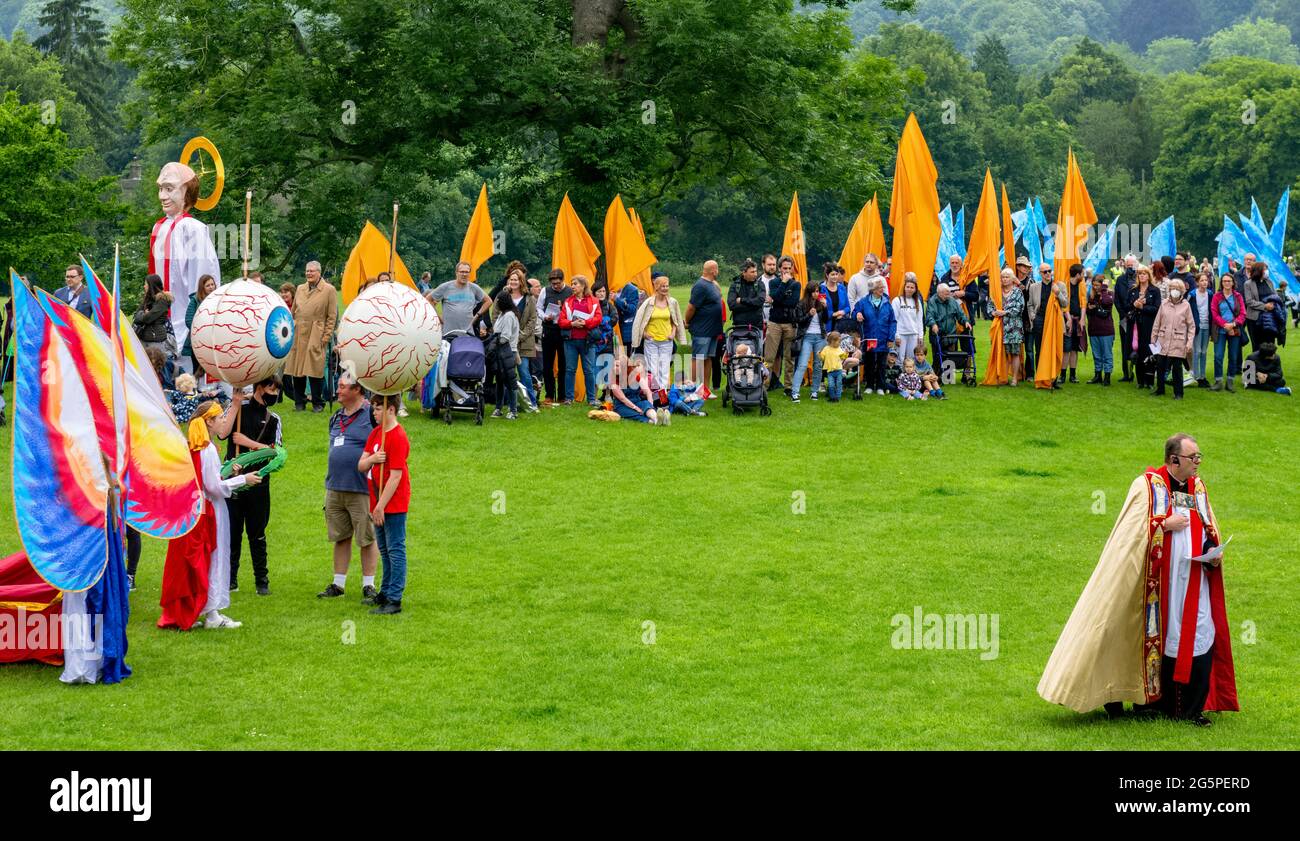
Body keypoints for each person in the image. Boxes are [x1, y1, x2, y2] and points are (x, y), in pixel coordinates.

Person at [1038, 434, 1238, 726]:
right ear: (1173, 460)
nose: (1197, 463)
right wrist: (1163, 525)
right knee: (1142, 635)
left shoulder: (1198, 488)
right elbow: (1129, 535)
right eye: (1192, 457)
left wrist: (1212, 551)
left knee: (1197, 635)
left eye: (1199, 457)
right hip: (1154, 581)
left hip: (1192, 580)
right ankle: (1145, 702)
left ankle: (1191, 709)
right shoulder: (1146, 486)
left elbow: (1208, 527)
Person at [158, 400, 262, 631]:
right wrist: (243, 479)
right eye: (220, 418)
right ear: (209, 422)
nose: (224, 421)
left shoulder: (193, 446)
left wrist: (226, 472)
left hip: (193, 510)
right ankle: (212, 613)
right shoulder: (207, 449)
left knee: (200, 561)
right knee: (212, 558)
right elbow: (213, 486)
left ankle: (202, 609)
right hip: (208, 511)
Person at [316, 373, 380, 600]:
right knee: (340, 537)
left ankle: (369, 585)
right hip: (335, 487)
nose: (338, 390)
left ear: (357, 390)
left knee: (366, 538)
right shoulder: (335, 417)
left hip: (361, 488)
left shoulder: (371, 415)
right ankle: (338, 584)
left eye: (343, 387)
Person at [223, 376, 282, 594]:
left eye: (276, 391)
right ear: (259, 387)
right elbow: (222, 433)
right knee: (232, 534)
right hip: (233, 483)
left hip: (258, 484)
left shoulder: (273, 418)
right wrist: (236, 404)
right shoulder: (238, 408)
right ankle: (230, 579)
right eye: (270, 389)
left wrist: (247, 443)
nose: (273, 394)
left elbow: (277, 452)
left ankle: (261, 581)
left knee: (257, 534)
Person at [358, 393, 410, 615]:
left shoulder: (398, 437)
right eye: (373, 408)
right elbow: (361, 465)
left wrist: (381, 505)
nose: (374, 413)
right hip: (376, 500)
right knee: (384, 549)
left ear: (391, 410)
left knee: (395, 549)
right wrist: (373, 459)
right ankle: (385, 591)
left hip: (392, 502)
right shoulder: (376, 433)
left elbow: (396, 476)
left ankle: (394, 599)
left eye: (378, 409)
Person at [284, 261, 338, 412]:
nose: (309, 273)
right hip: (299, 330)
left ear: (319, 272)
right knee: (297, 368)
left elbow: (332, 316)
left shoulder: (329, 290)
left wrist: (326, 336)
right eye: (307, 271)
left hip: (317, 331)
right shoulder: (300, 288)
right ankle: (299, 402)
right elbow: (293, 311)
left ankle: (317, 402)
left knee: (315, 369)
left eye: (312, 271)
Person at [491, 269, 539, 412]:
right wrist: (499, 333)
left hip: (523, 341)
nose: (513, 282)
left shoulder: (529, 297)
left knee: (524, 373)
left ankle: (531, 403)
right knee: (503, 376)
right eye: (511, 279)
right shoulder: (503, 295)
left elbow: (532, 319)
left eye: (516, 280)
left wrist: (520, 336)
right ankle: (507, 404)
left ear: (521, 281)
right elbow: (495, 316)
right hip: (505, 343)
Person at [632, 273, 686, 391]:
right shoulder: (649, 303)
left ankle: (663, 395)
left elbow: (675, 320)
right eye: (663, 286)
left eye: (667, 286)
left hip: (666, 340)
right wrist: (644, 333)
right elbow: (640, 320)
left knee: (664, 369)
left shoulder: (672, 302)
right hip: (651, 341)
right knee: (653, 369)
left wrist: (673, 333)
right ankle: (655, 394)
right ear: (656, 287)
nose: (665, 288)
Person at [559, 274, 601, 406]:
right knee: (570, 370)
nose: (572, 286)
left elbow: (598, 318)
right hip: (570, 341)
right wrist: (572, 324)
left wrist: (586, 322)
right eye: (571, 284)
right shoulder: (568, 301)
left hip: (588, 341)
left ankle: (591, 399)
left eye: (575, 284)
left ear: (583, 286)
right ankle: (569, 398)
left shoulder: (594, 301)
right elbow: (561, 321)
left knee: (588, 370)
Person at [1150, 279, 1194, 400]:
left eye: (1177, 288)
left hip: (1178, 341)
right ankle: (1160, 389)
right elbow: (1157, 322)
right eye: (1172, 288)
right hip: (1163, 339)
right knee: (1160, 365)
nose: (1174, 290)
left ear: (1182, 291)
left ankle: (1179, 393)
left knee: (1177, 368)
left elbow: (1191, 326)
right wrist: (1153, 338)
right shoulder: (1164, 303)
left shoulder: (1186, 305)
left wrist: (1189, 342)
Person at [762, 256, 801, 394]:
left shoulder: (796, 284)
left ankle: (788, 387)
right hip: (774, 323)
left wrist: (779, 297)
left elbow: (792, 302)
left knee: (789, 358)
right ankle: (764, 386)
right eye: (785, 268)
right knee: (769, 357)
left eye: (789, 268)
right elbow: (775, 298)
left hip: (790, 324)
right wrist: (784, 284)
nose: (787, 271)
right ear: (780, 269)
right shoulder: (774, 282)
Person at [852, 277, 897, 395]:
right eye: (880, 287)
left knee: (882, 363)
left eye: (882, 287)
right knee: (870, 362)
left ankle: (881, 386)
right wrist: (857, 314)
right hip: (870, 337)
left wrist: (891, 338)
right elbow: (854, 312)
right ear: (873, 290)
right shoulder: (863, 302)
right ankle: (870, 385)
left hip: (884, 337)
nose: (883, 289)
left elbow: (892, 321)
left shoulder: (887, 303)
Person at [685, 260, 724, 393]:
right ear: (713, 270)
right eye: (717, 269)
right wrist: (687, 321)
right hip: (702, 330)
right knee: (698, 358)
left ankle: (705, 390)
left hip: (712, 330)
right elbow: (691, 307)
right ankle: (692, 389)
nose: (718, 271)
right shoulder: (700, 286)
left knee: (708, 358)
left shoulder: (712, 284)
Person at [790, 275, 828, 403]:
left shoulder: (821, 304)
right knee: (802, 364)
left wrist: (826, 308)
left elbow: (826, 320)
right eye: (814, 291)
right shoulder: (801, 304)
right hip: (806, 336)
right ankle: (794, 392)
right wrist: (808, 315)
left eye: (818, 291)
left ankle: (815, 391)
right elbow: (797, 321)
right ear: (809, 292)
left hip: (820, 337)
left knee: (818, 365)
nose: (816, 294)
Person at [924, 280, 970, 383]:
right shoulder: (932, 301)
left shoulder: (952, 300)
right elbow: (930, 316)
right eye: (946, 294)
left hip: (951, 333)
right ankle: (936, 377)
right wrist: (933, 324)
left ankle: (948, 379)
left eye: (949, 293)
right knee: (937, 356)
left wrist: (965, 321)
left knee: (950, 356)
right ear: (939, 293)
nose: (948, 295)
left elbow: (960, 313)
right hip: (937, 334)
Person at [431, 260, 491, 337]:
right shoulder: (446, 287)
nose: (464, 274)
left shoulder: (474, 288)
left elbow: (488, 301)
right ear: (456, 273)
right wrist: (438, 318)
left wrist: (477, 315)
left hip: (467, 334)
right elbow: (428, 300)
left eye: (467, 272)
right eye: (462, 272)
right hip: (448, 334)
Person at [537, 269, 570, 404]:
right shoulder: (545, 291)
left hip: (564, 331)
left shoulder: (569, 291)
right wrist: (545, 316)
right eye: (553, 283)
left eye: (557, 283)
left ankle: (562, 396)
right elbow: (538, 308)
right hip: (549, 330)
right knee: (547, 364)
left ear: (563, 280)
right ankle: (549, 395)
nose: (555, 286)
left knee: (563, 364)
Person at [1128, 264, 1162, 389]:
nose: (1142, 276)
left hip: (1150, 325)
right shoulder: (1133, 291)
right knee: (1138, 352)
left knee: (1150, 352)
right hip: (1135, 325)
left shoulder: (1155, 290)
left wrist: (1143, 307)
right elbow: (1127, 307)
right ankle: (1140, 381)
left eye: (1144, 274)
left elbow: (1157, 308)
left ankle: (1150, 381)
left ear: (1148, 276)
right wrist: (1134, 305)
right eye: (1140, 274)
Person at [488, 290, 521, 419]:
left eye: (498, 301)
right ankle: (498, 408)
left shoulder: (509, 316)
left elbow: (505, 337)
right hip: (500, 352)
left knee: (510, 382)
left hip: (508, 352)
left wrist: (492, 343)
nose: (496, 304)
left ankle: (513, 410)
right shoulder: (503, 314)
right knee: (500, 382)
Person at [1210, 274, 1246, 392]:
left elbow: (1242, 314)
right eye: (1224, 281)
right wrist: (1225, 325)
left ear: (1233, 283)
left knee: (1233, 356)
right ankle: (1218, 381)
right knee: (1218, 356)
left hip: (1234, 329)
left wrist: (1233, 325)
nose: (1226, 283)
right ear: (1221, 283)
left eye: (1229, 281)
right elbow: (1214, 314)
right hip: (1220, 330)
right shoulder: (1216, 296)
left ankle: (1230, 381)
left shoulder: (1238, 296)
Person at [609, 352, 665, 424]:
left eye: (617, 366)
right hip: (622, 405)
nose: (614, 368)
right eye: (613, 365)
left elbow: (648, 392)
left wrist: (650, 405)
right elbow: (623, 399)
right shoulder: (613, 381)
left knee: (646, 405)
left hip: (637, 401)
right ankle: (653, 421)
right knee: (632, 413)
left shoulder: (636, 376)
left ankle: (656, 419)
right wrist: (635, 408)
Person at [993, 267, 1026, 387]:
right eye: (1003, 277)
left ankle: (1015, 378)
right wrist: (993, 312)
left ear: (1012, 279)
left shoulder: (1018, 292)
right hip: (1000, 327)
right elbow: (990, 305)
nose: (1005, 279)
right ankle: (1004, 377)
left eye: (1007, 277)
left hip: (1014, 327)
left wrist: (1005, 312)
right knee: (1003, 353)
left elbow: (1020, 307)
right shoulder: (997, 291)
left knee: (1015, 353)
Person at [183, 274, 217, 379]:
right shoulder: (195, 300)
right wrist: (203, 330)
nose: (211, 287)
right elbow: (189, 320)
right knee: (198, 369)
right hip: (199, 341)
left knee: (214, 368)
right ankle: (196, 392)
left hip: (215, 340)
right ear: (202, 288)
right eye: (208, 285)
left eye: (212, 284)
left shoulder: (219, 299)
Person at [1242, 261, 1280, 350]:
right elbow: (1249, 301)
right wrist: (1264, 306)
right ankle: (1258, 363)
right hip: (1255, 319)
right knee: (1257, 346)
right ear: (1258, 271)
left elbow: (1275, 296)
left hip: (1270, 319)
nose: (1267, 271)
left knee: (1270, 345)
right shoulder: (1248, 284)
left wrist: (1273, 303)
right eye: (1265, 269)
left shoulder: (1269, 282)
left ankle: (1269, 363)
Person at [132, 274, 173, 354]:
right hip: (143, 338)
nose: (144, 286)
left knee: (156, 365)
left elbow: (148, 319)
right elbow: (135, 316)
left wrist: (144, 315)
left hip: (156, 341)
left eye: (146, 284)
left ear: (151, 285)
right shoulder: (147, 299)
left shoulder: (162, 301)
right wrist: (144, 314)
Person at [1085, 274, 1114, 385]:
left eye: (1098, 285)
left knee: (1107, 355)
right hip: (1094, 329)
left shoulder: (1109, 293)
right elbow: (1088, 310)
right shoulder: (1091, 295)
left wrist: (1104, 289)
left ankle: (1107, 377)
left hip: (1106, 330)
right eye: (1094, 285)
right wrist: (1091, 308)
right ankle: (1098, 375)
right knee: (1096, 355)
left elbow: (1107, 302)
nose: (1095, 287)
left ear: (1102, 285)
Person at [1112, 255, 1138, 382]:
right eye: (1128, 266)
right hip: (1124, 318)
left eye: (1132, 266)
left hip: (1138, 318)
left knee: (1137, 345)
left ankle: (1138, 372)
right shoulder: (1120, 280)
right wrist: (1123, 314)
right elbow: (1116, 299)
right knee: (1125, 345)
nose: (1130, 268)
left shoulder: (1140, 279)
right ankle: (1126, 374)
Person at [1186, 270, 1214, 388]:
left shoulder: (1210, 294)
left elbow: (1212, 309)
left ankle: (1203, 375)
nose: (1204, 282)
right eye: (1202, 280)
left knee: (1203, 351)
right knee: (1196, 351)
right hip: (1196, 326)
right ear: (1197, 282)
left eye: (1206, 280)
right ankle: (1196, 376)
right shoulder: (1192, 294)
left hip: (1207, 325)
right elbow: (1186, 308)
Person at [891, 272, 925, 365]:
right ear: (904, 288)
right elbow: (894, 320)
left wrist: (920, 336)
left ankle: (910, 378)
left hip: (913, 334)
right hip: (901, 334)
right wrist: (896, 335)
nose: (909, 289)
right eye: (908, 287)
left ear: (915, 289)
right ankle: (899, 377)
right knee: (899, 358)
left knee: (911, 359)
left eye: (912, 287)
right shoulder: (897, 300)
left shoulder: (917, 301)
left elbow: (919, 320)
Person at [1062, 263, 1087, 384]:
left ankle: (1072, 375)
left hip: (1077, 320)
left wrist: (1082, 319)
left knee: (1075, 349)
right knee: (1066, 348)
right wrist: (1068, 319)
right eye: (1083, 273)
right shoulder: (1065, 285)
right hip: (1067, 320)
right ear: (1077, 274)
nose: (1084, 275)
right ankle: (1062, 375)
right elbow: (1064, 304)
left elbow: (1083, 302)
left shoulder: (1081, 285)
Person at [727, 258, 765, 332]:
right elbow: (731, 305)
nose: (755, 274)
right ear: (744, 272)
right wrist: (754, 305)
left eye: (756, 271)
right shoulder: (735, 285)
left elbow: (760, 301)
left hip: (757, 327)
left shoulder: (760, 284)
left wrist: (742, 300)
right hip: (739, 327)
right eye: (752, 272)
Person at [615, 280, 645, 352]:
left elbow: (632, 309)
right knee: (615, 357)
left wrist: (617, 300)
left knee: (625, 356)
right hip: (612, 331)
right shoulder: (609, 287)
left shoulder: (632, 289)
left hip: (625, 331)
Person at [818, 331, 847, 402]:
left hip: (839, 370)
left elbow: (842, 357)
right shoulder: (826, 349)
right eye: (838, 341)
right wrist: (819, 354)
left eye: (840, 341)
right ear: (832, 341)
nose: (839, 343)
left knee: (839, 384)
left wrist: (845, 354)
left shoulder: (839, 349)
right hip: (830, 371)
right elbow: (822, 358)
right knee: (831, 385)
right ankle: (832, 397)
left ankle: (838, 397)